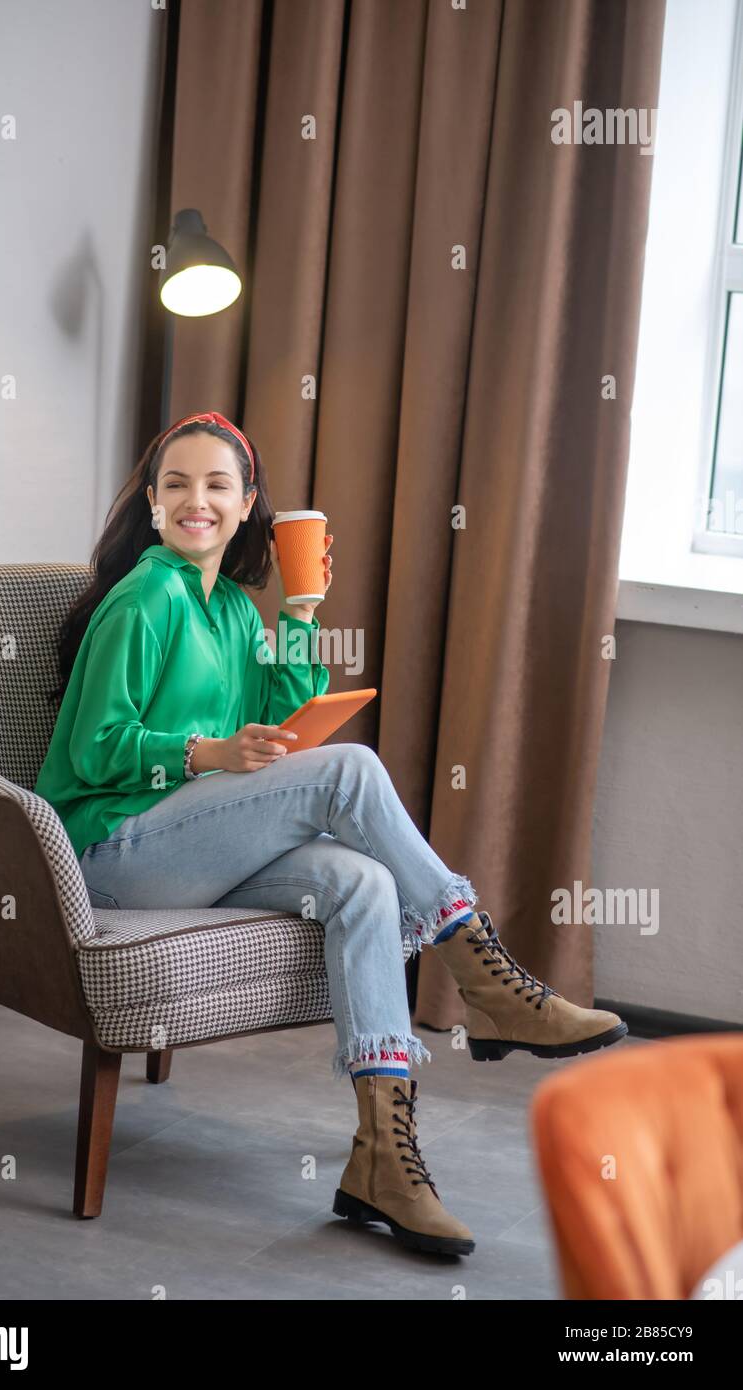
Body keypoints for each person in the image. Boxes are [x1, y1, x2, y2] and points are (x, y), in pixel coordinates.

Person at [34, 410, 627, 1258]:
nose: (194, 500)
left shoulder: (233, 608)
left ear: (248, 511)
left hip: (191, 851)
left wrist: (302, 610)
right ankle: (484, 971)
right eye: (175, 484)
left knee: (367, 884)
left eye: (216, 486)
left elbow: (278, 729)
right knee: (350, 773)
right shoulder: (147, 595)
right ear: (154, 503)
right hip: (109, 855)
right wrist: (202, 753)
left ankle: (383, 1159)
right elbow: (93, 753)